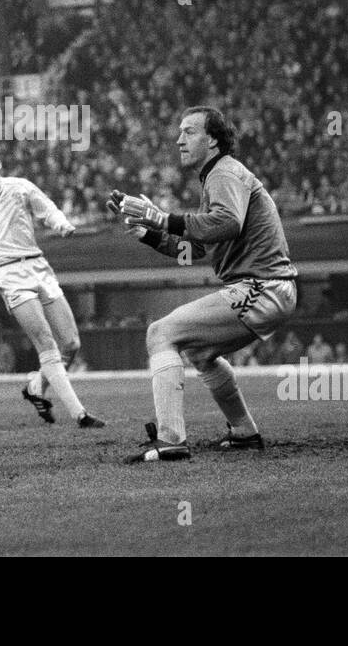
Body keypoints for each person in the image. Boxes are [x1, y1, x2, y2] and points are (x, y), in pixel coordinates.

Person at [108, 106, 298, 463]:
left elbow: (227, 224)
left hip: (261, 286)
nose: (179, 139)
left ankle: (170, 442)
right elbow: (193, 251)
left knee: (159, 334)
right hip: (269, 289)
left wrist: (162, 217)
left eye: (189, 131)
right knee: (200, 352)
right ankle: (244, 433)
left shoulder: (223, 172)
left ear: (212, 140)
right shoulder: (217, 177)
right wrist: (149, 233)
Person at [0, 141, 104, 428]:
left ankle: (35, 387)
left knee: (70, 343)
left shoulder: (20, 186)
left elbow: (47, 209)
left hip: (38, 266)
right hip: (9, 274)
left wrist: (61, 225)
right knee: (46, 341)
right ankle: (80, 414)